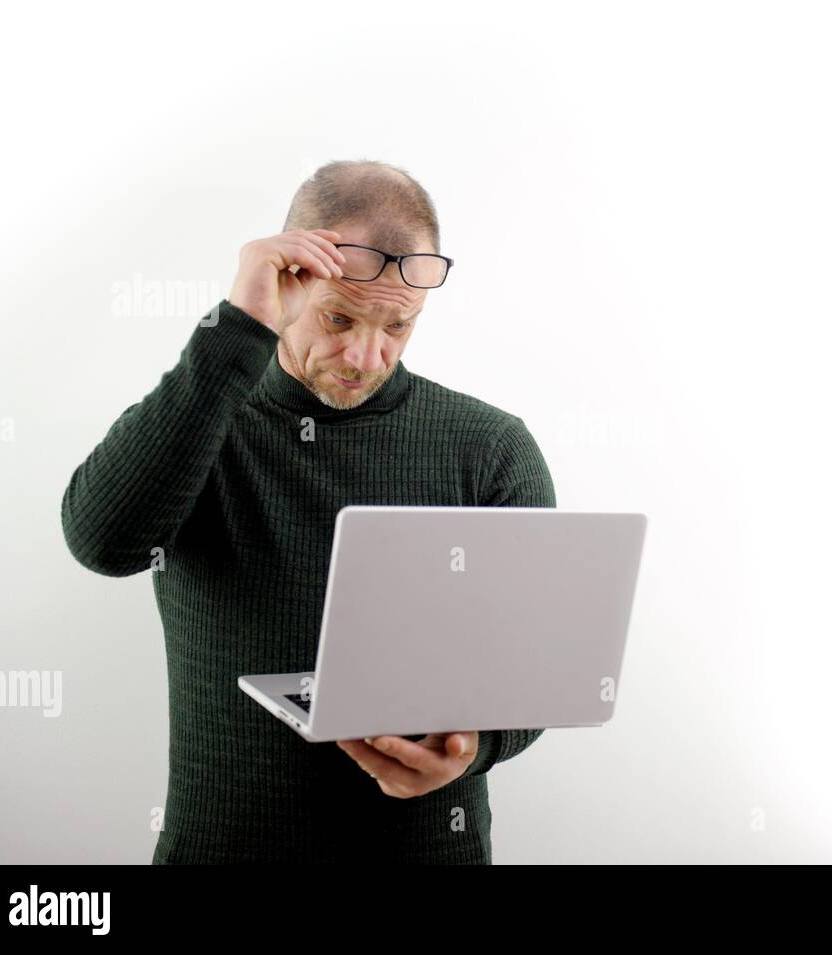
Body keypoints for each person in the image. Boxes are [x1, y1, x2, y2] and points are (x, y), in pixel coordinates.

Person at [60, 160, 555, 863]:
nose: (364, 354)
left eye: (398, 327)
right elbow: (100, 541)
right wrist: (237, 328)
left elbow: (534, 665)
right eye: (339, 316)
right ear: (293, 278)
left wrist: (478, 746)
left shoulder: (490, 448)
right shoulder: (205, 421)